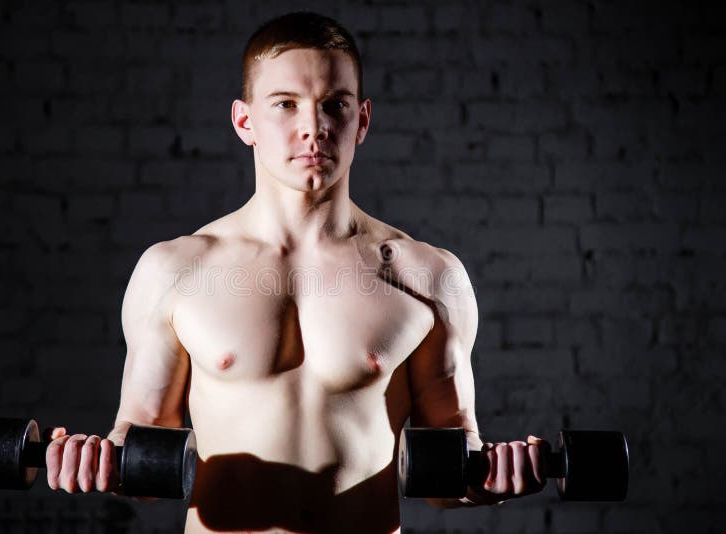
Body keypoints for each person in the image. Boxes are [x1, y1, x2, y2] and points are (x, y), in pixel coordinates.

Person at [45, 12, 549, 534]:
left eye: (335, 105)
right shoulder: (175, 270)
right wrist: (91, 461)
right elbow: (144, 455)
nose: (314, 127)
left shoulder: (429, 278)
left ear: (362, 120)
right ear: (245, 122)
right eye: (286, 104)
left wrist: (493, 478)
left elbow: (449, 470)